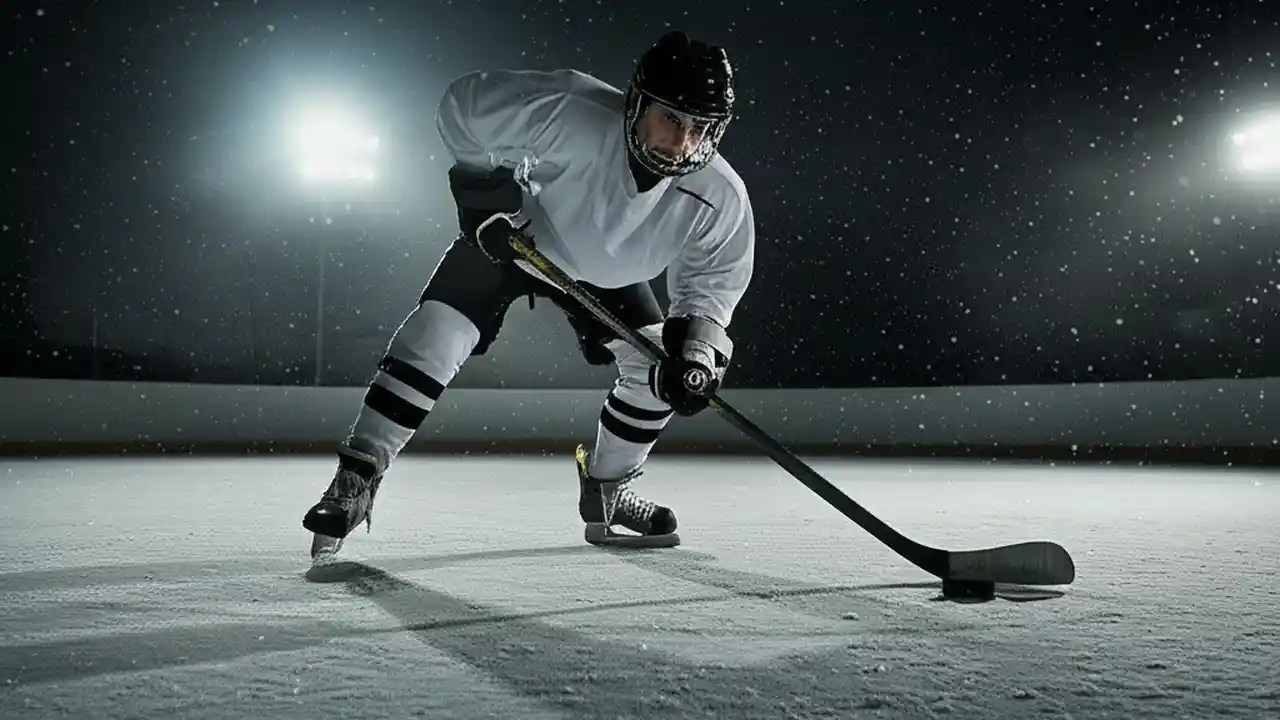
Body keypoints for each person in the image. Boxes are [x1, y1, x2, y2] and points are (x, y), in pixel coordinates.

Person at [302, 29, 755, 557]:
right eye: (671, 119)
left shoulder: (719, 196)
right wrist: (482, 197)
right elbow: (462, 106)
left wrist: (696, 355)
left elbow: (711, 286)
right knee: (437, 332)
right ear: (636, 104)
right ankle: (357, 477)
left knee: (656, 376)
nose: (683, 145)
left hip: (603, 277)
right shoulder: (569, 109)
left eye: (701, 128)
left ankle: (608, 489)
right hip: (517, 237)